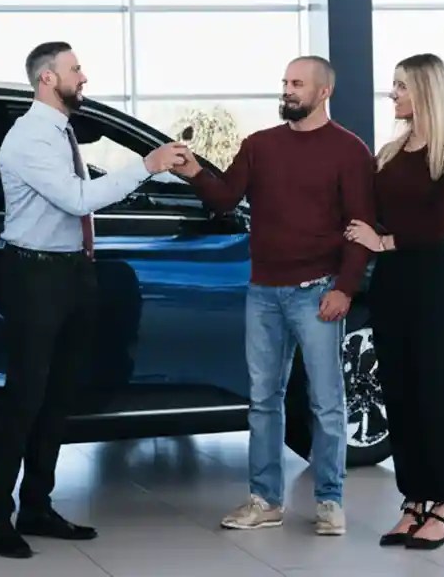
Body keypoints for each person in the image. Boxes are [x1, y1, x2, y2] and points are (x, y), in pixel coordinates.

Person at [0, 41, 189, 559]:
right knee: (24, 399)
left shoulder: (59, 131)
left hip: (71, 271)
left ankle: (36, 506)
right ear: (47, 79)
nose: (84, 76)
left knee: (58, 399)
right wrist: (148, 164)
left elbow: (78, 194)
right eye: (75, 69)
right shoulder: (30, 136)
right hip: (35, 274)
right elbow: (76, 198)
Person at [172, 55, 376, 537]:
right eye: (285, 83)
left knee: (327, 403)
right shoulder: (259, 146)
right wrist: (194, 170)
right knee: (264, 400)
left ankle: (329, 502)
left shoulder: (349, 151)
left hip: (318, 292)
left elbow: (360, 229)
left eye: (297, 84)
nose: (287, 91)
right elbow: (224, 198)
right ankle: (264, 500)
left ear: (323, 92)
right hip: (263, 292)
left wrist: (345, 289)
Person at [343, 53, 444, 550]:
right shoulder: (388, 153)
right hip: (392, 287)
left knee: (436, 396)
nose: (392, 94)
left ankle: (443, 505)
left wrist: (384, 242)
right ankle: (413, 501)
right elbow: (370, 214)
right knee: (398, 395)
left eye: (400, 86)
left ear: (425, 92)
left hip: (433, 286)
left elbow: (439, 224)